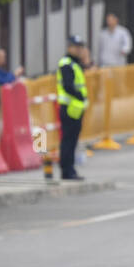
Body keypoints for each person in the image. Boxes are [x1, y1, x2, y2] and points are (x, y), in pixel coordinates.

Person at [55, 36, 89, 180]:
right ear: (70, 47)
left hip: (75, 108)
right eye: (77, 47)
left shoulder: (75, 63)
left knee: (72, 140)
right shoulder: (66, 63)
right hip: (69, 108)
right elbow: (68, 86)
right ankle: (67, 171)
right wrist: (80, 96)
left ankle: (70, 169)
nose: (79, 50)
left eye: (80, 47)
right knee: (68, 141)